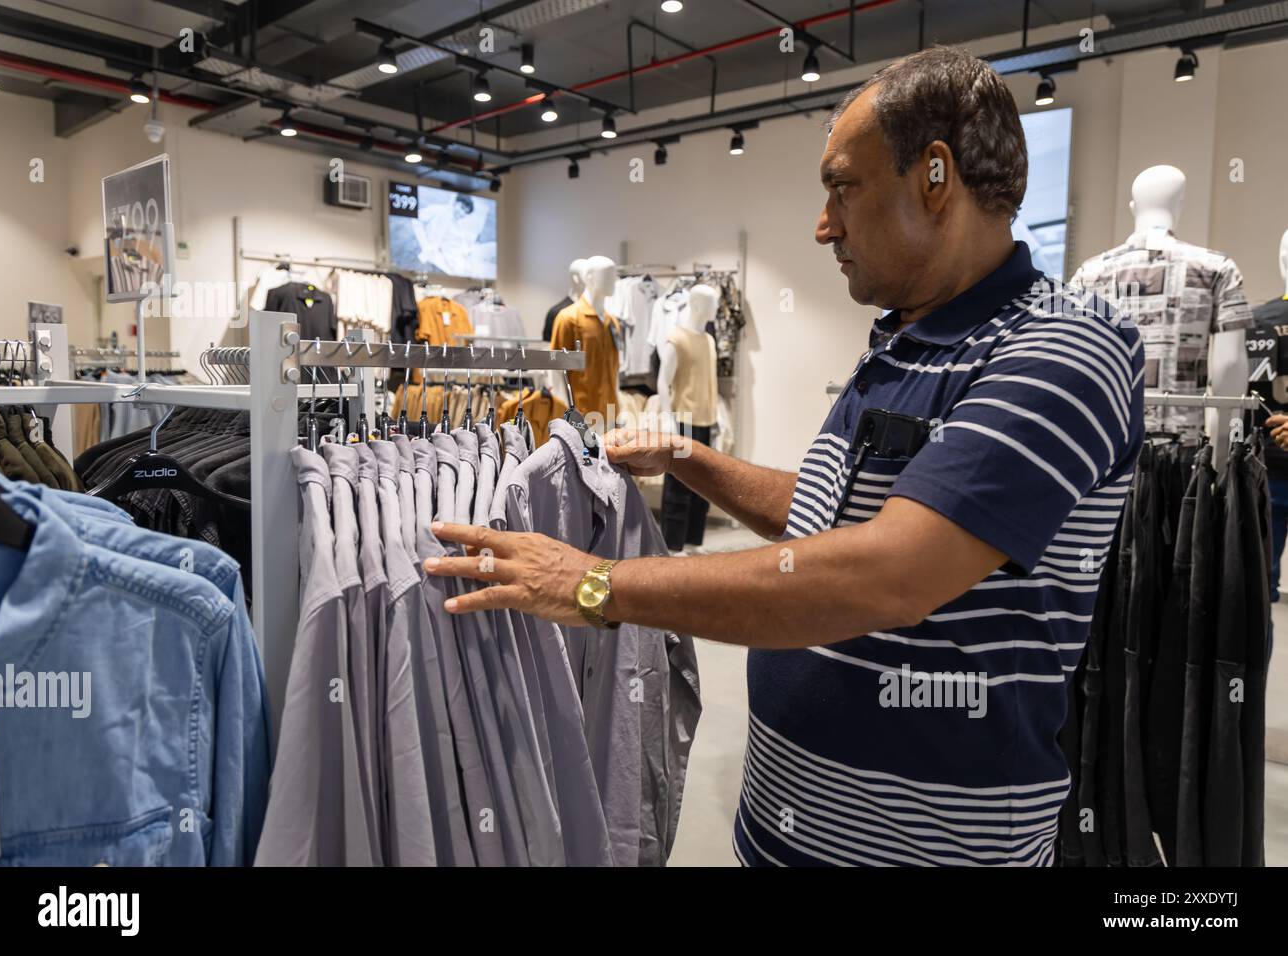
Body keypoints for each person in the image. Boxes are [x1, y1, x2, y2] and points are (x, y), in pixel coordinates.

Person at [425, 46, 1145, 866]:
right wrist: (697, 465)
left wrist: (592, 583)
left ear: (935, 177)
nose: (823, 223)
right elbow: (845, 515)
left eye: (843, 187)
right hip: (782, 835)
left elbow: (889, 571)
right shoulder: (902, 339)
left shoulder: (1061, 348)